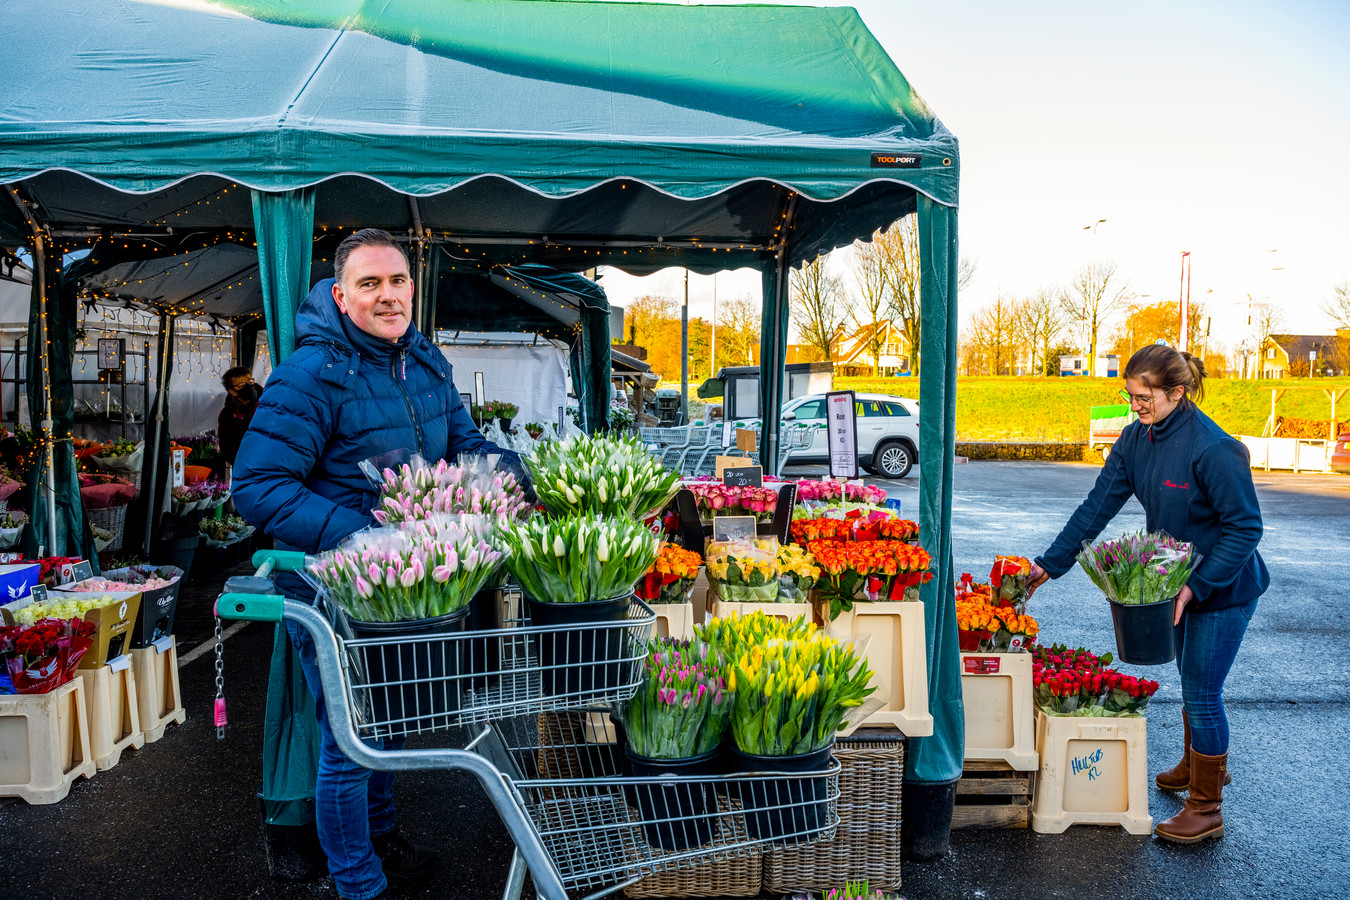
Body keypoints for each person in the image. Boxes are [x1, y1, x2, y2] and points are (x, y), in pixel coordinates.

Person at [233, 228, 527, 900]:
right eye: (369, 284)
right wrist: (367, 538)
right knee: (349, 739)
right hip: (335, 585)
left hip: (402, 588)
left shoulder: (422, 362)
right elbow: (257, 485)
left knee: (387, 722)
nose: (387, 295)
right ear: (341, 295)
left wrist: (513, 477)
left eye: (397, 281)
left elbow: (463, 444)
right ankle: (358, 880)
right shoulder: (313, 371)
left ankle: (381, 835)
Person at [1025, 344, 1268, 845]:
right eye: (1130, 395)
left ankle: (1207, 807)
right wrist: (1050, 564)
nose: (1135, 406)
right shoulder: (1136, 439)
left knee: (1202, 692)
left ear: (1177, 392)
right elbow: (1098, 506)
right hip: (1173, 585)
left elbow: (1245, 529)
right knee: (1191, 679)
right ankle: (1196, 763)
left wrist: (1197, 586)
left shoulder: (1213, 448)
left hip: (1224, 589)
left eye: (1144, 397)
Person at [217, 366, 261, 467]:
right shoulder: (226, 415)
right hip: (246, 468)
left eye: (250, 382)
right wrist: (244, 464)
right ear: (232, 392)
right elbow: (227, 448)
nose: (248, 386)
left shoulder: (268, 404)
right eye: (242, 385)